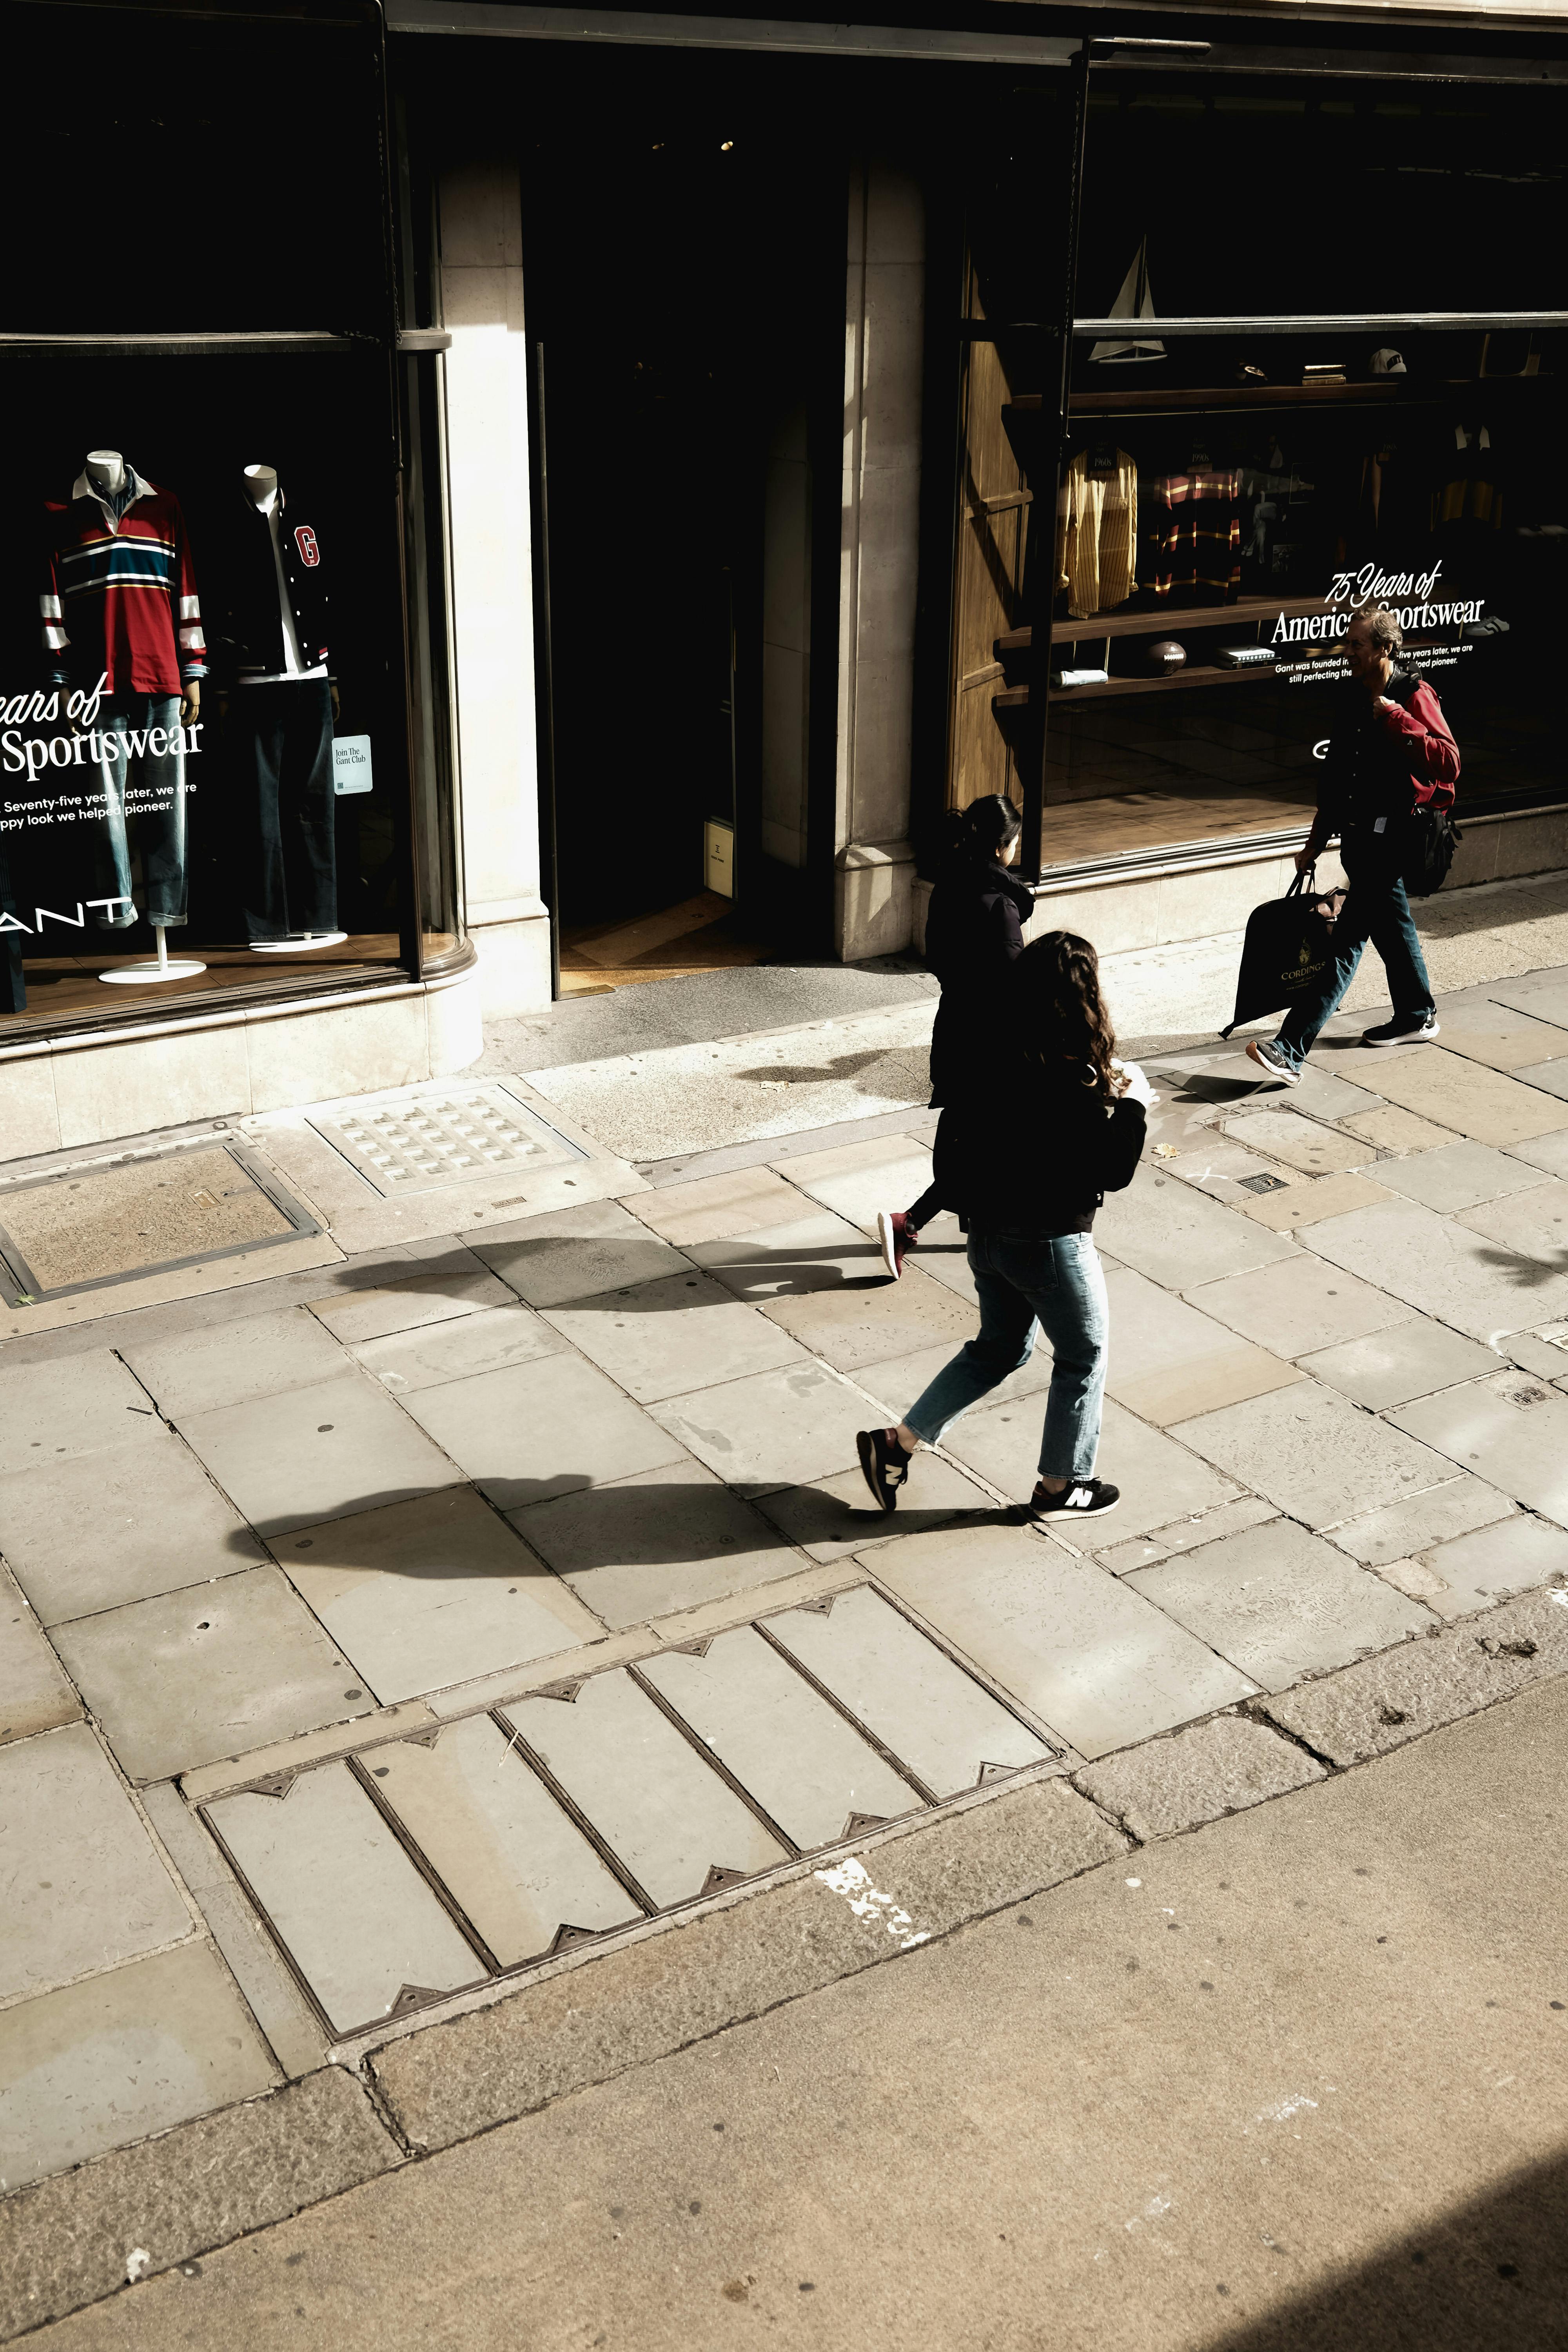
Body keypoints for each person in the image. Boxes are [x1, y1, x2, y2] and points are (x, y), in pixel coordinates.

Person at [857, 931, 1152, 1523]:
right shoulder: (1076, 1075)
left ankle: (895, 1446)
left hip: (989, 1237)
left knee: (999, 1348)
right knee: (1082, 1356)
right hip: (1047, 1245)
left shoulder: (995, 1055)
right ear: (1086, 995)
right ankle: (1061, 1485)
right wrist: (1136, 1103)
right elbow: (1114, 1170)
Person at [1247, 603, 1459, 1085]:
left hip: (1395, 839)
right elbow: (1338, 780)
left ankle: (1290, 1048)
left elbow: (1448, 763)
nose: (1348, 652)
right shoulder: (1351, 698)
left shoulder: (1413, 694)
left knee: (1345, 942)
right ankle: (1416, 1014)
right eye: (1347, 643)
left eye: (1356, 645)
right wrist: (1315, 843)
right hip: (1360, 838)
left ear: (1384, 649)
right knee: (1392, 926)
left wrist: (1399, 720)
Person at [877, 794, 1031, 1279]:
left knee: (973, 1135)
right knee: (996, 1142)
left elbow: (938, 960)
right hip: (994, 1041)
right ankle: (910, 1221)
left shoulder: (947, 885)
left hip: (956, 1026)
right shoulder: (1000, 905)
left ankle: (970, 1223)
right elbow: (1015, 985)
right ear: (1004, 845)